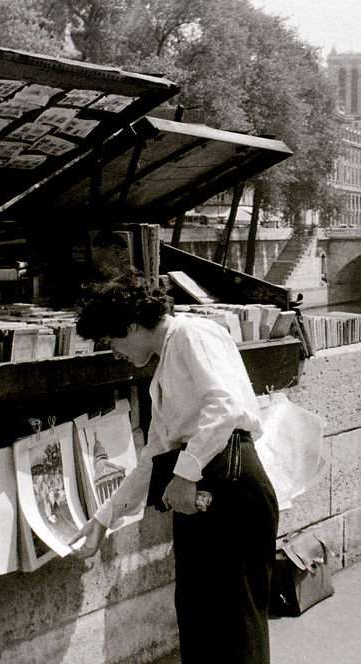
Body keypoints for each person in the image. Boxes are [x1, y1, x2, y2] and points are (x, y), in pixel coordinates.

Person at [72, 274, 278, 664]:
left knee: (236, 622)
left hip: (230, 485)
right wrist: (105, 515)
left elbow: (225, 406)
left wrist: (186, 473)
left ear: (132, 325)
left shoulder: (190, 335)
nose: (114, 352)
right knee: (199, 618)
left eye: (112, 341)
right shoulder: (167, 359)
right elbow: (154, 455)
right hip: (204, 487)